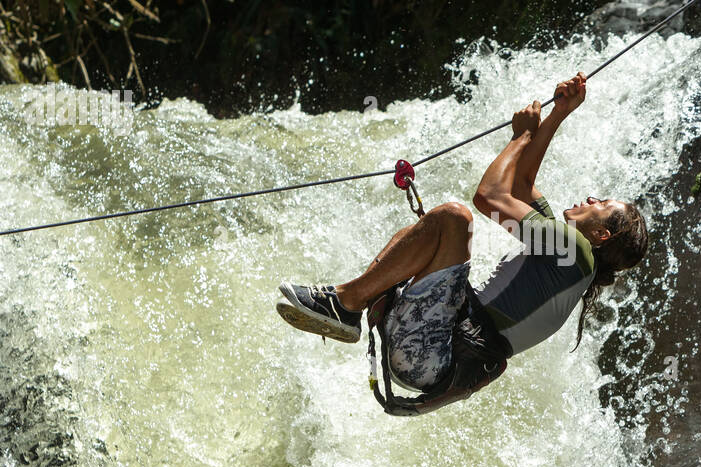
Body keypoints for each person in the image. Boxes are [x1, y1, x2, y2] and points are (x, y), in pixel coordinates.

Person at [276, 72, 649, 397]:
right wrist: (559, 113)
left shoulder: (573, 250)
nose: (590, 197)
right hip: (428, 356)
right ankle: (349, 305)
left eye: (601, 203)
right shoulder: (567, 259)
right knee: (425, 232)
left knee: (453, 219)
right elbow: (521, 184)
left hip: (430, 351)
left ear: (600, 234)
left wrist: (520, 139)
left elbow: (488, 197)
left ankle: (346, 303)